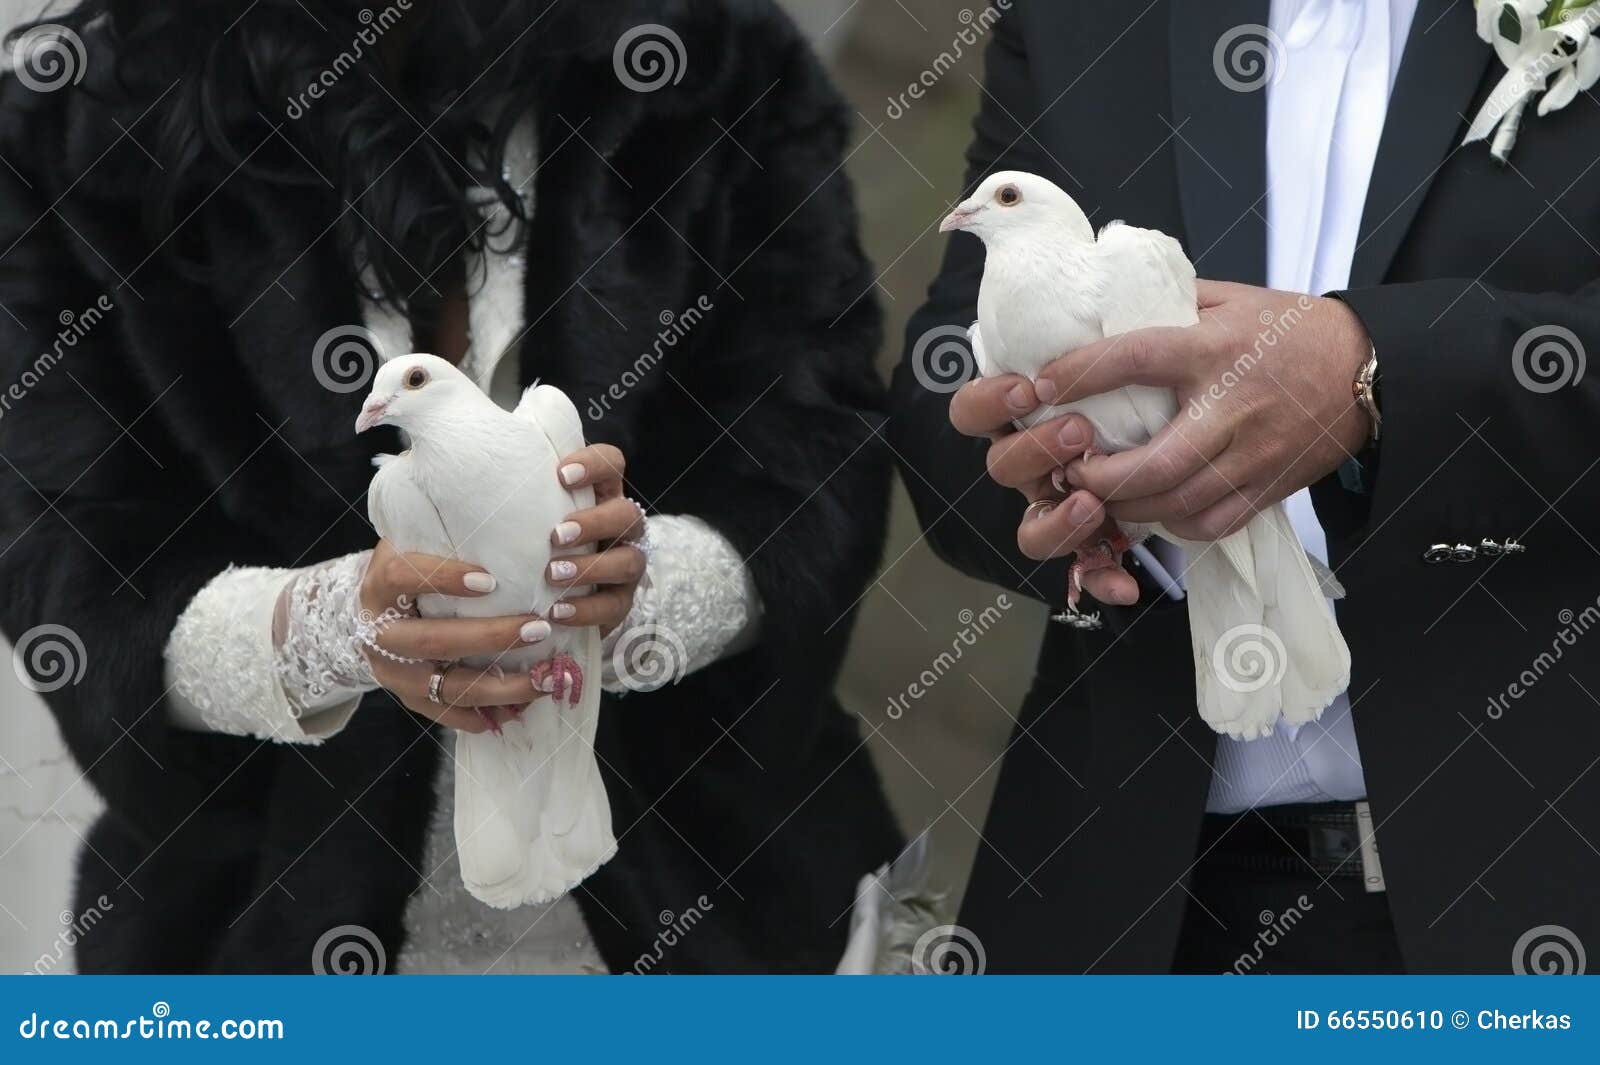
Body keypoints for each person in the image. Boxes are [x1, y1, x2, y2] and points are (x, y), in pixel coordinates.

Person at [0, 0, 900, 973]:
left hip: (715, 903)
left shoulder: (708, 57)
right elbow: (69, 569)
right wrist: (331, 630)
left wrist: (640, 584)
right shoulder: (64, 129)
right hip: (252, 926)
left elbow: (816, 454)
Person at [892, 0, 1600, 973]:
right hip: (1126, 895)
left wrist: (1377, 375)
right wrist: (1075, 482)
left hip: (1536, 869)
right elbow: (937, 386)